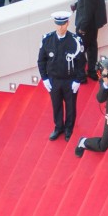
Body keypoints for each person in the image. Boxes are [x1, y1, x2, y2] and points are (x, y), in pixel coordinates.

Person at [38, 12, 86, 142]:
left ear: (68, 23)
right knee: (56, 104)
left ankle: (69, 128)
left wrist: (78, 80)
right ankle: (58, 127)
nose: (60, 27)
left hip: (70, 79)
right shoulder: (47, 39)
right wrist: (45, 78)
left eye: (63, 24)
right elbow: (41, 61)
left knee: (70, 105)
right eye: (58, 24)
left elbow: (81, 62)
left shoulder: (75, 40)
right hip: (54, 80)